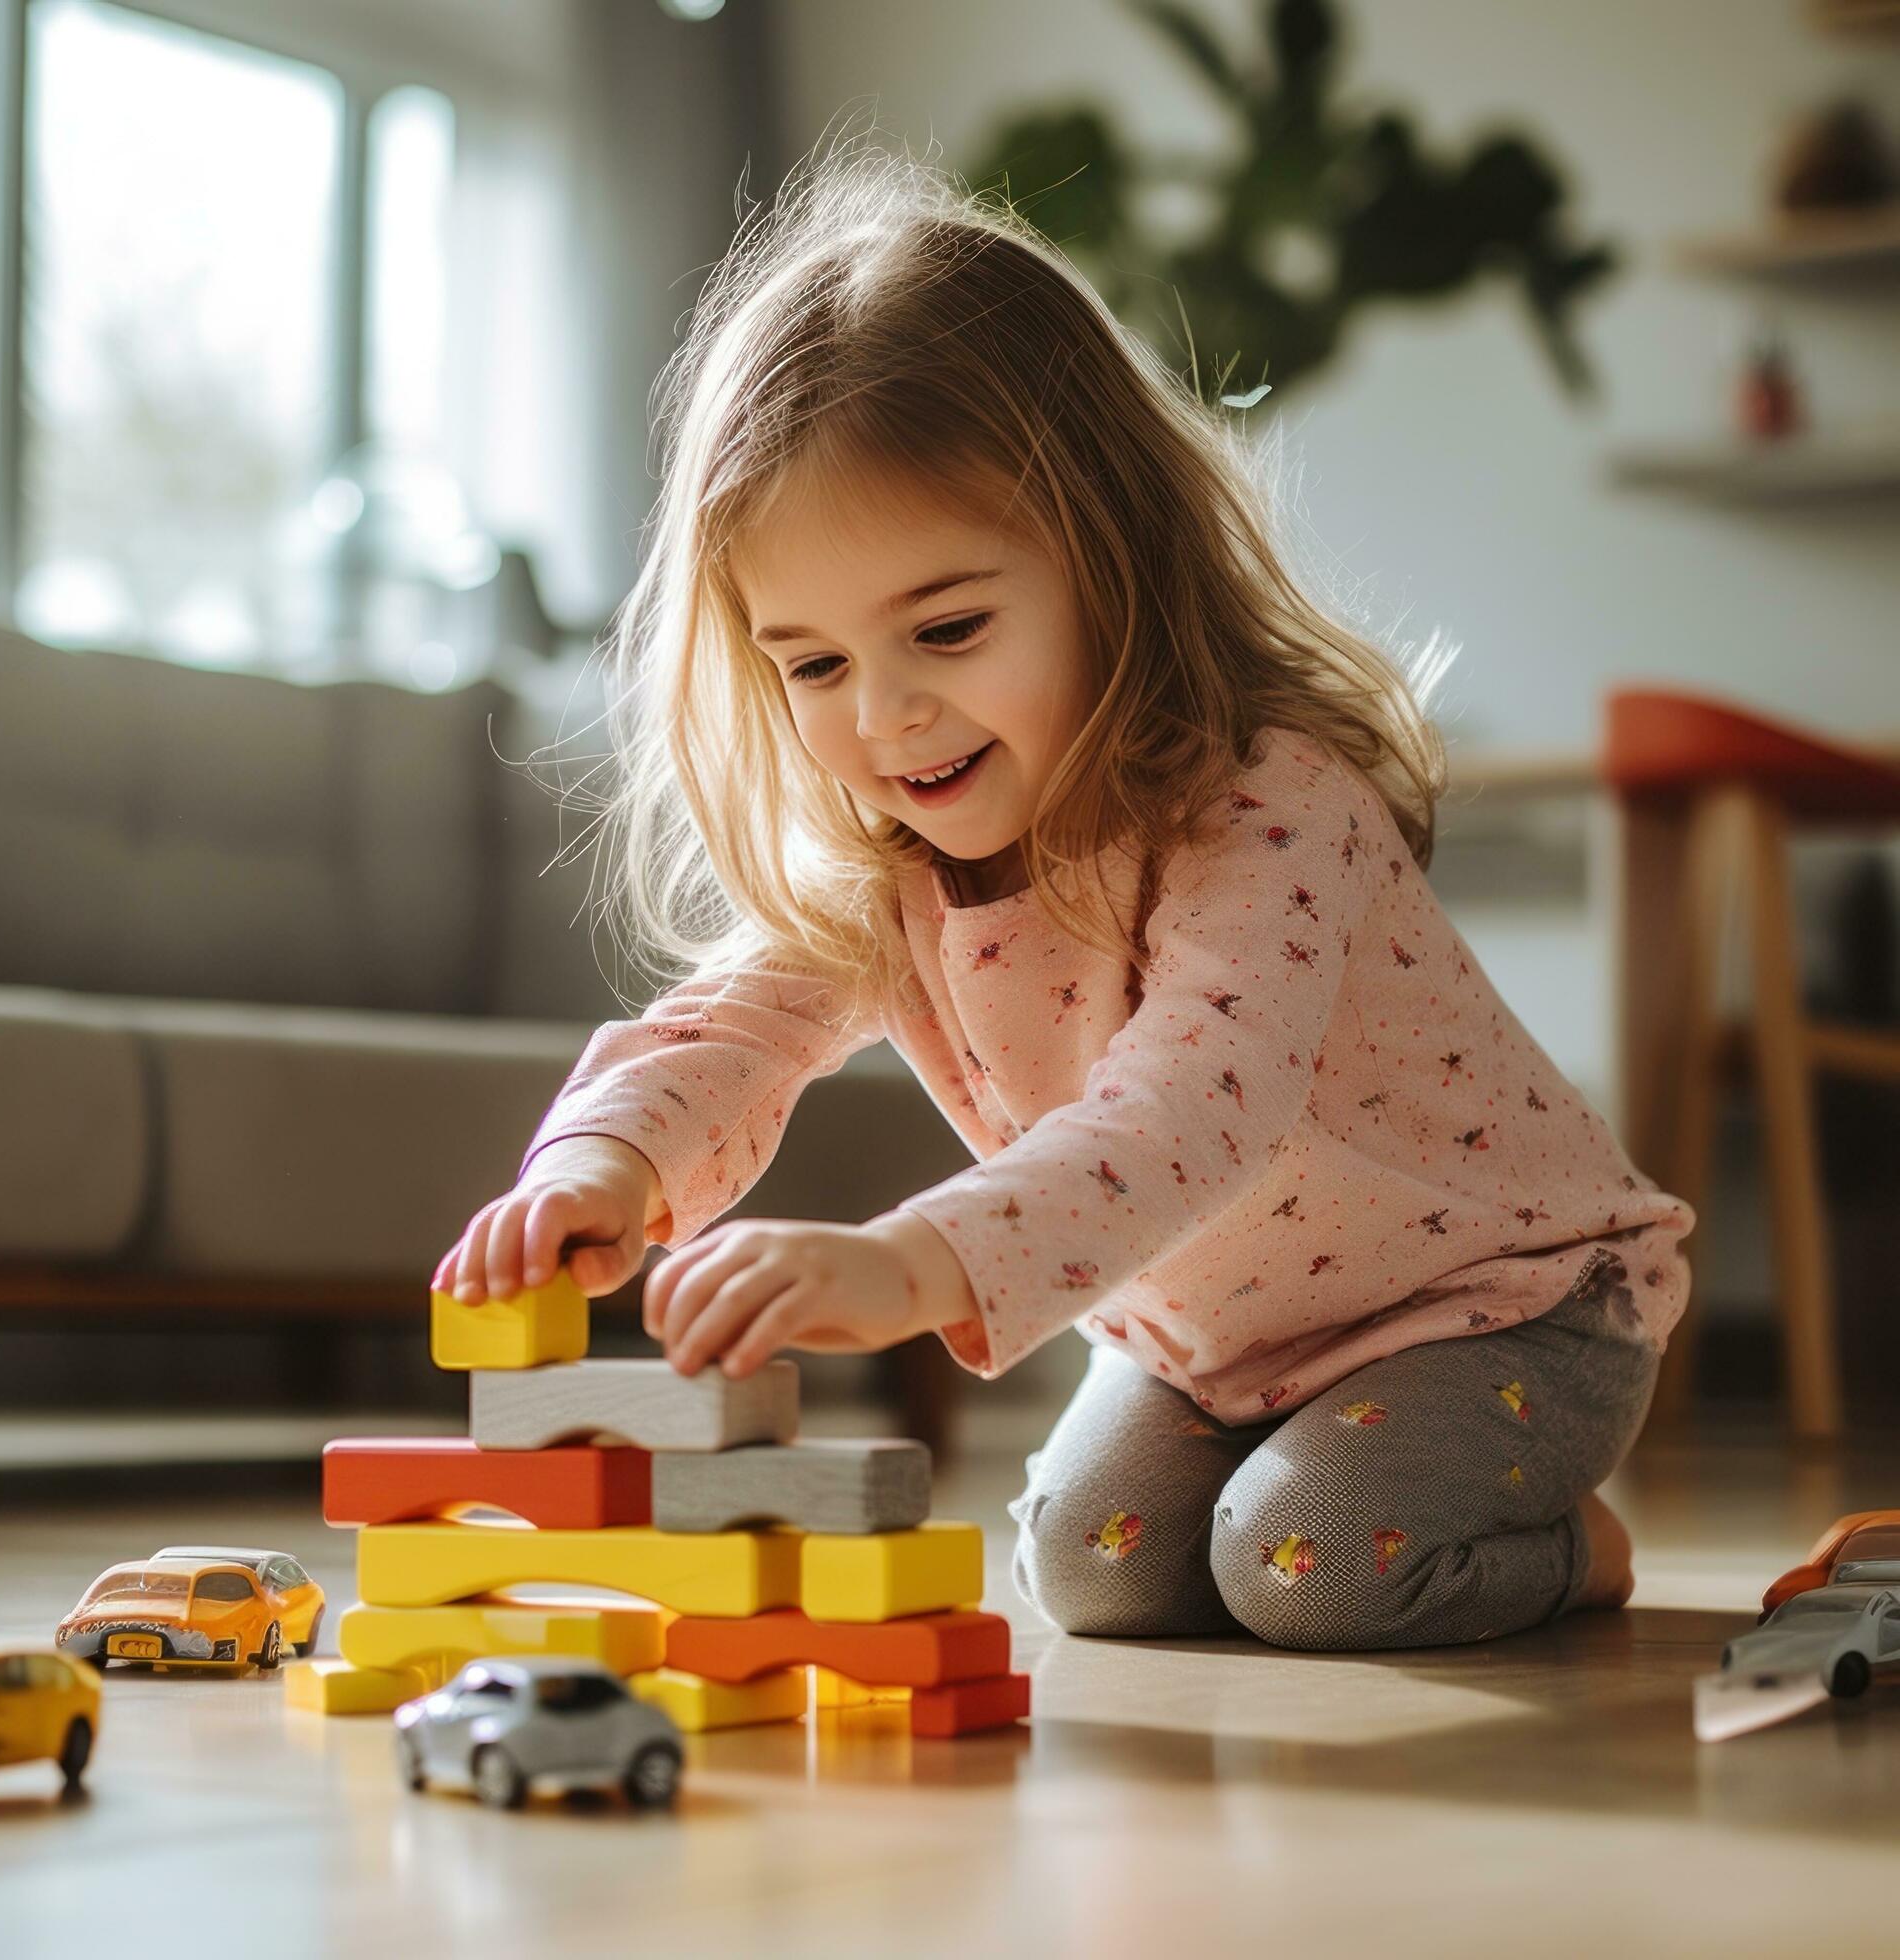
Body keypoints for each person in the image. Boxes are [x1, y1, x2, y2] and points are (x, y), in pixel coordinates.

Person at [433, 129, 1692, 1653]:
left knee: (1308, 1565)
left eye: (947, 630)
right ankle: (1305, 1483)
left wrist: (907, 1264)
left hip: (1502, 1311)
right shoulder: (891, 865)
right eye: (814, 665)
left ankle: (1578, 1549)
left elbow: (1186, 1114)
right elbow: (730, 1032)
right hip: (1215, 1347)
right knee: (1091, 1573)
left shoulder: (1267, 807)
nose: (884, 717)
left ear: (1111, 557)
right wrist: (597, 1170)